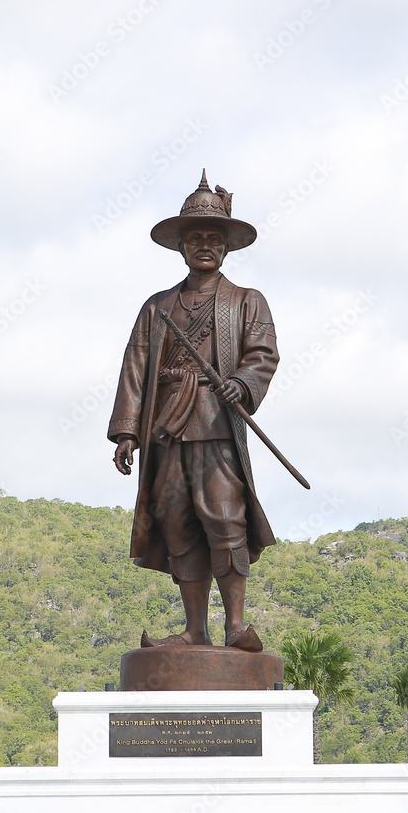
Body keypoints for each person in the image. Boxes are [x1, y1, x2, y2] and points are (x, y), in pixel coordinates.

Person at [108, 171, 279, 651]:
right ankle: (195, 630)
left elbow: (263, 353)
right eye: (195, 238)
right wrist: (127, 432)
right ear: (182, 246)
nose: (204, 246)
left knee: (225, 519)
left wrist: (241, 383)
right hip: (166, 430)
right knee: (177, 521)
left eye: (213, 238)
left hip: (217, 424)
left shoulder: (246, 302)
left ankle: (236, 626)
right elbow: (136, 365)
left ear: (225, 247)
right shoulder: (157, 307)